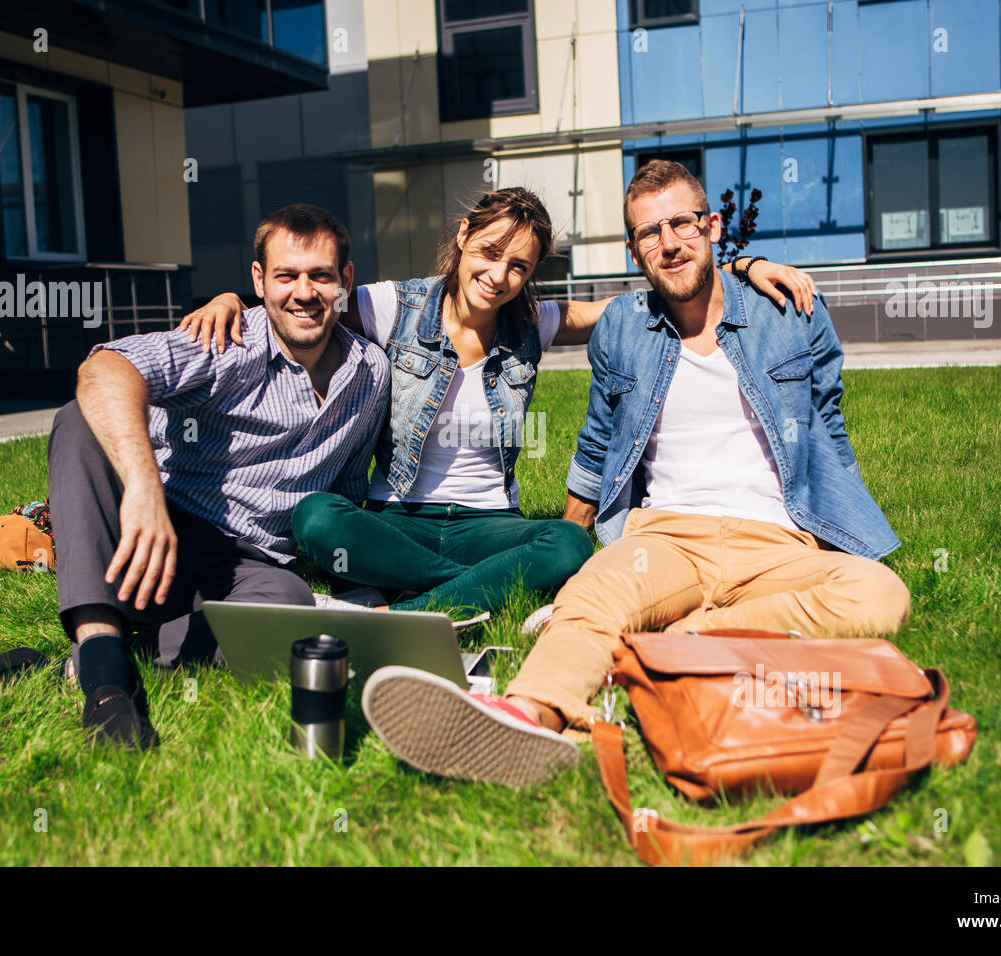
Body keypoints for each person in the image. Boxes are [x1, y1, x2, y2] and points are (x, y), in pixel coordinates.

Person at [359, 160, 911, 787]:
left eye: (681, 224)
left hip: (780, 541)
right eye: (650, 233)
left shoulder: (789, 311)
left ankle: (683, 636)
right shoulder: (625, 326)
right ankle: (525, 716)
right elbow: (595, 445)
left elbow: (829, 429)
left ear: (712, 225)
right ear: (633, 247)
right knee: (594, 599)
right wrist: (576, 558)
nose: (668, 243)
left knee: (881, 593)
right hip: (665, 540)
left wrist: (747, 266)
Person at [181, 187, 816, 620]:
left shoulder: (531, 322)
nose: (498, 275)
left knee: (570, 546)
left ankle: (405, 614)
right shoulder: (390, 305)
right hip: (397, 517)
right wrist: (231, 299)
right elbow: (303, 294)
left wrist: (737, 267)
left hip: (490, 525)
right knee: (316, 518)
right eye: (489, 253)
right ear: (463, 237)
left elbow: (639, 301)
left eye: (518, 266)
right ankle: (466, 599)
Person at [49, 203, 389, 749]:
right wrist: (142, 488)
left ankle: (102, 649)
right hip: (153, 535)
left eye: (321, 276)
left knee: (291, 610)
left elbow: (345, 492)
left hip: (247, 570)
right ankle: (107, 685)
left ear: (345, 280)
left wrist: (356, 586)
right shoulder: (224, 339)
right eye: (286, 276)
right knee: (78, 420)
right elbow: (105, 367)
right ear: (258, 280)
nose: (304, 292)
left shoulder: (371, 374)